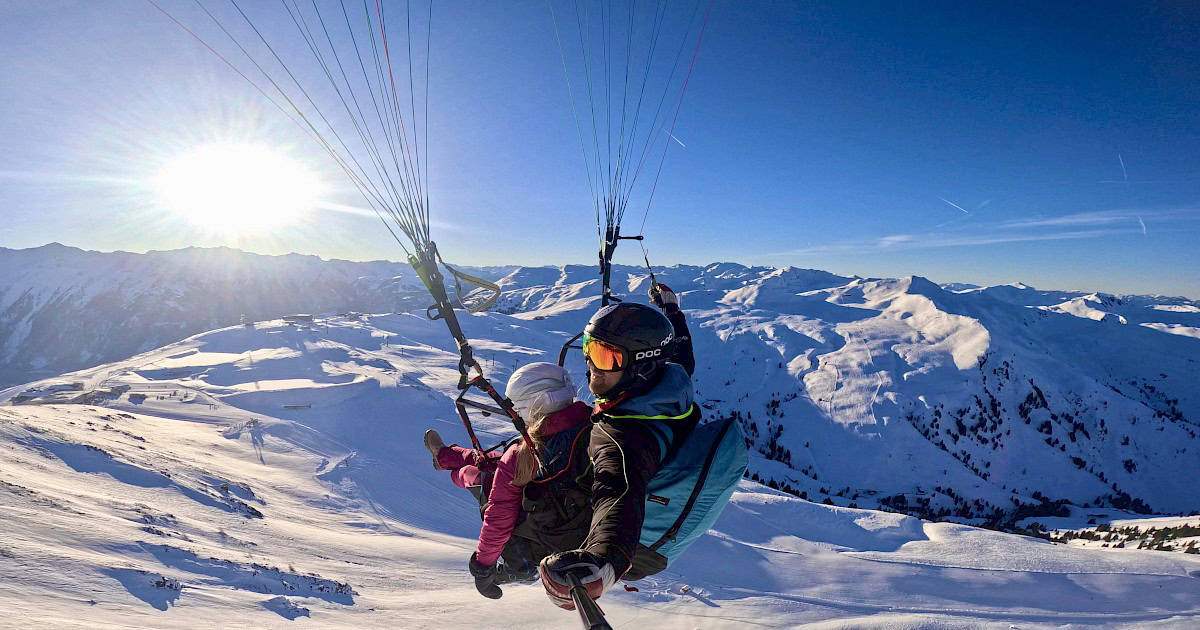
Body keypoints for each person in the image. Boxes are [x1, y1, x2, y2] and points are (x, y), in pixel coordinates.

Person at [537, 283, 699, 610]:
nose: (590, 366)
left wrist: (603, 564)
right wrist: (671, 309)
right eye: (589, 348)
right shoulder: (668, 380)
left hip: (606, 537)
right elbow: (681, 353)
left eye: (605, 357)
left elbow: (617, 491)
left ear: (641, 364)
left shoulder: (622, 436)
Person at [424, 361, 592, 599]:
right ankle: (445, 456)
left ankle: (447, 463)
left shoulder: (524, 454)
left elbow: (498, 517)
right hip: (576, 522)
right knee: (497, 461)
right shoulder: (593, 426)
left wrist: (482, 567)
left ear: (530, 406)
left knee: (474, 475)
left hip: (542, 541)